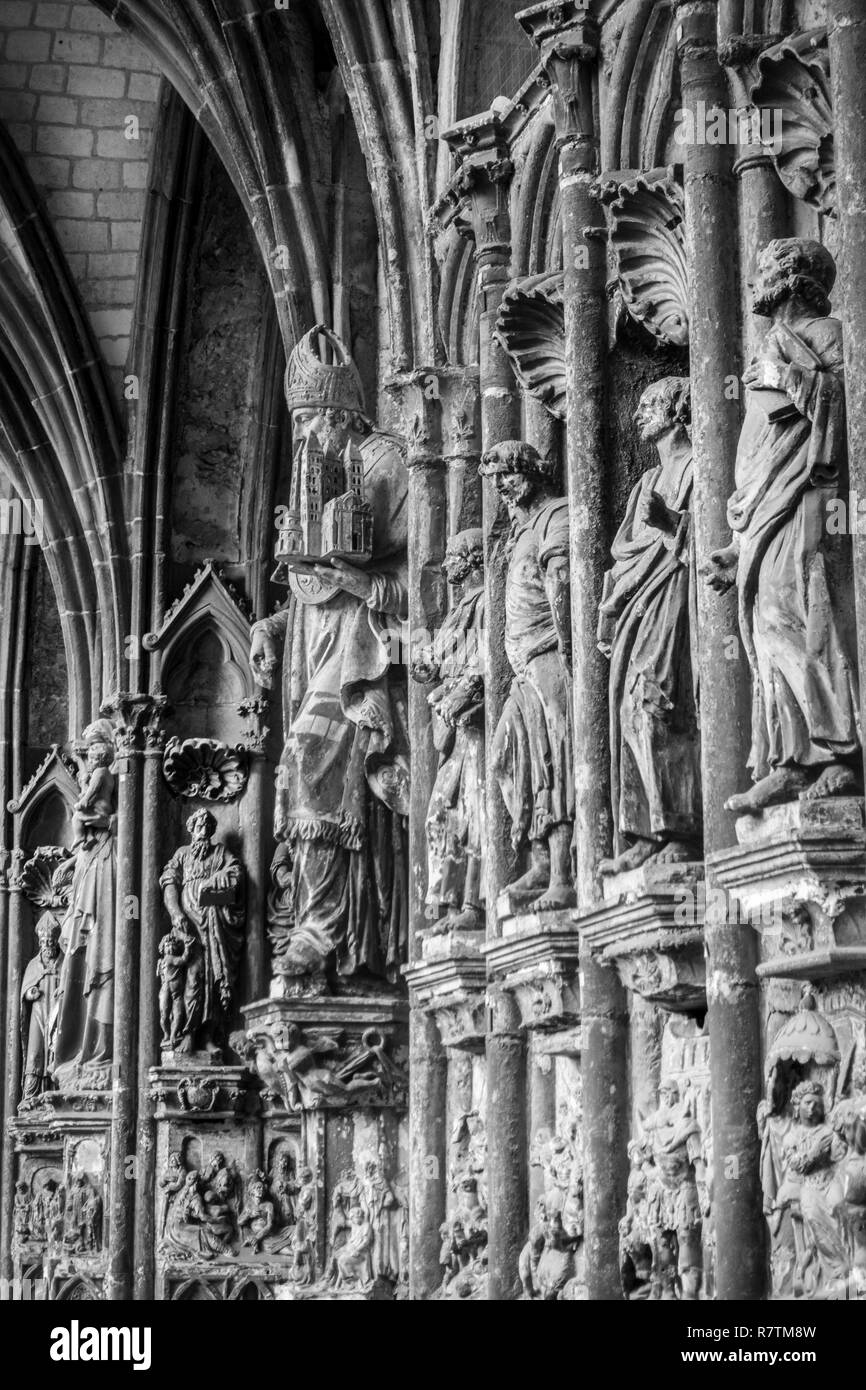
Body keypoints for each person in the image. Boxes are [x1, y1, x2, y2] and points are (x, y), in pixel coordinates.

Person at [249, 325, 409, 985]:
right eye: (302, 423)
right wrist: (276, 624)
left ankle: (325, 931)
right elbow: (316, 592)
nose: (309, 437)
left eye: (317, 420)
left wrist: (359, 581)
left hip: (368, 662)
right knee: (298, 773)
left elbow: (425, 581)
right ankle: (322, 930)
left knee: (313, 759)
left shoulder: (385, 464)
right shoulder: (319, 476)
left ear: (346, 415)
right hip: (319, 657)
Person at [704, 238, 860, 811]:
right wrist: (736, 542)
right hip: (767, 511)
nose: (753, 280)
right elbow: (763, 452)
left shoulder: (830, 335)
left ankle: (838, 753)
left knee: (806, 613)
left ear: (794, 278)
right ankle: (793, 760)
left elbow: (846, 408)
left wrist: (787, 375)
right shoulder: (769, 345)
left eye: (765, 269)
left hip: (816, 502)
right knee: (766, 629)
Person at [598, 377, 702, 875]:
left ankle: (680, 829)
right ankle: (644, 830)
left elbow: (710, 531)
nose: (639, 413)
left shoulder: (700, 464)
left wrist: (669, 523)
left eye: (650, 404)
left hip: (678, 595)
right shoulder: (644, 482)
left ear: (678, 410)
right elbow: (623, 551)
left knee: (654, 700)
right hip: (640, 600)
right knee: (628, 707)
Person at [478, 440, 575, 910]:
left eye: (509, 475)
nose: (502, 486)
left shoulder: (556, 515)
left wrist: (573, 647)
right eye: (495, 479)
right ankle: (538, 860)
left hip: (550, 655)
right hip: (522, 668)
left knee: (556, 756)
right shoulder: (516, 533)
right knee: (508, 757)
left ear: (534, 471)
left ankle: (562, 872)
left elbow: (561, 580)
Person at [411, 528, 486, 931]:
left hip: (474, 721)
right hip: (452, 728)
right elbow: (435, 659)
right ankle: (453, 904)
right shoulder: (459, 611)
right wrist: (423, 662)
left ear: (473, 558)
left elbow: (490, 659)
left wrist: (463, 688)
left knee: (475, 812)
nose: (446, 564)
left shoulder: (489, 601)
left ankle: (474, 907)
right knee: (442, 813)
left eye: (454, 555)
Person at [52, 720, 117, 1085]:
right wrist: (75, 858)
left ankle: (103, 1049)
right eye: (84, 757)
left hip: (104, 877)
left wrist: (94, 816)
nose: (87, 765)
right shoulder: (94, 840)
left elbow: (99, 814)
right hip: (88, 871)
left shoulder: (108, 781)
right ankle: (84, 1048)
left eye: (92, 755)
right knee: (83, 955)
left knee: (102, 955)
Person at [159, 810, 244, 1053]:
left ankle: (208, 1035)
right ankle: (188, 1032)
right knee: (192, 979)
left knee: (212, 978)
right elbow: (168, 883)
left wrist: (215, 880)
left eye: (208, 825)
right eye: (199, 824)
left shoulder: (220, 853)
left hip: (214, 927)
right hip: (188, 927)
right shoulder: (182, 855)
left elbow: (236, 873)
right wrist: (176, 913)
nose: (204, 829)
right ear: (191, 828)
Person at [20, 916, 63, 1102]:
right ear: (39, 943)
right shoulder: (32, 965)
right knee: (36, 1050)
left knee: (57, 1048)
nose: (48, 944)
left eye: (51, 941)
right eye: (45, 941)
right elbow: (25, 991)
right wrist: (30, 992)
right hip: (38, 1013)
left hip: (57, 1012)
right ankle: (31, 1096)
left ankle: (55, 1091)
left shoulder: (64, 963)